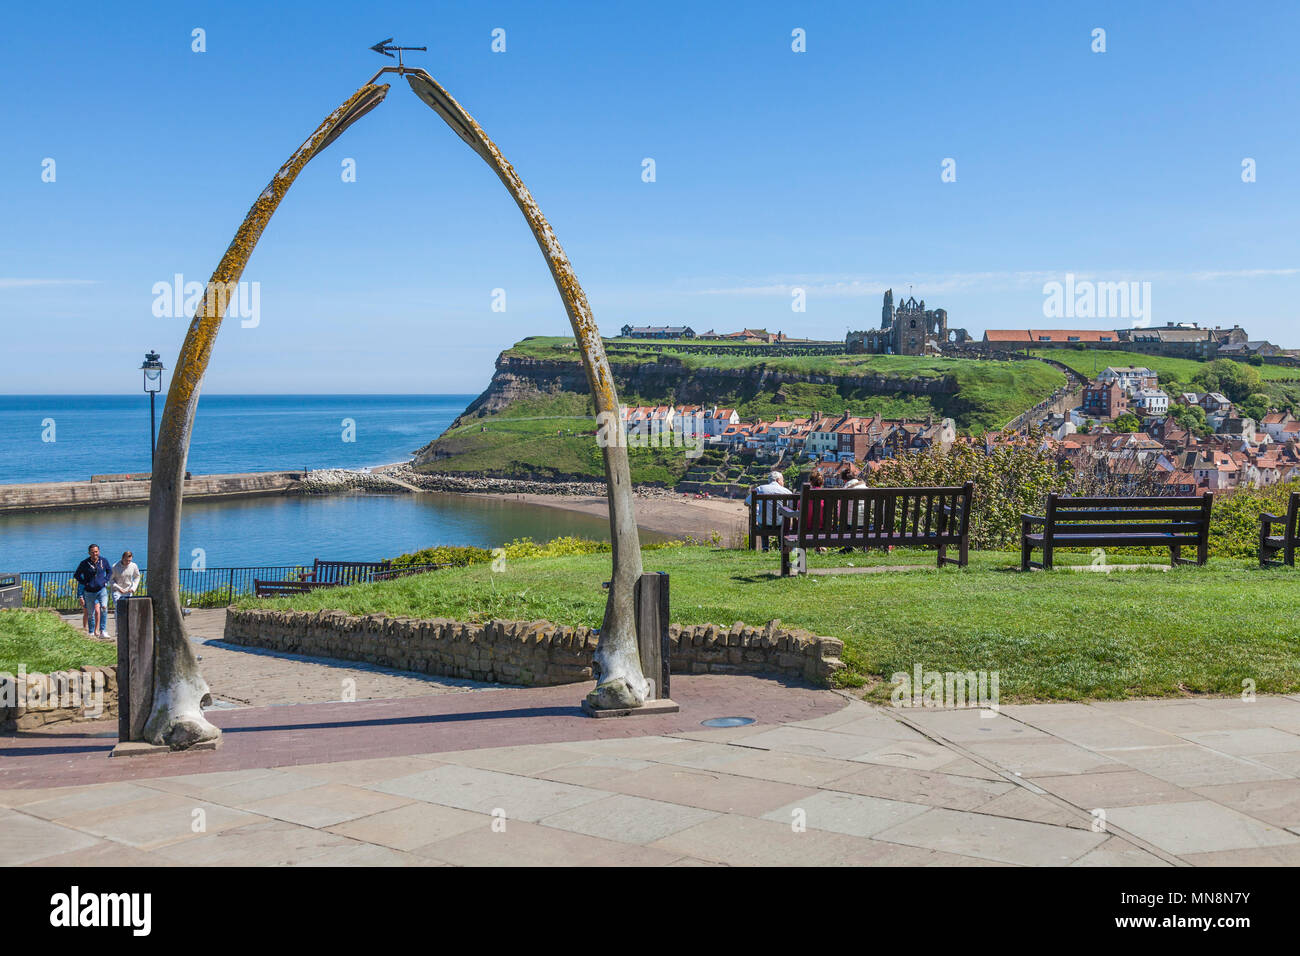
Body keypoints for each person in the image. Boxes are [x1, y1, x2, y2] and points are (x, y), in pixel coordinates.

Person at [744, 470, 793, 552]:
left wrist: (757, 508)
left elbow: (746, 502)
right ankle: (781, 547)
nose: (783, 482)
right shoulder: (787, 491)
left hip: (764, 524)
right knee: (782, 521)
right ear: (778, 480)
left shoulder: (760, 489)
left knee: (763, 520)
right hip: (781, 525)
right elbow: (792, 508)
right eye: (782, 480)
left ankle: (765, 548)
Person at [74, 544, 113, 638]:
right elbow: (77, 575)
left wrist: (105, 580)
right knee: (90, 613)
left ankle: (103, 631)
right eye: (92, 552)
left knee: (104, 608)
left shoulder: (103, 561)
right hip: (89, 592)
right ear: (89, 553)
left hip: (101, 590)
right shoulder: (84, 563)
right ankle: (91, 632)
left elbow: (110, 571)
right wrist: (85, 583)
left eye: (96, 551)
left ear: (98, 551)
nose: (94, 553)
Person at [111, 550, 141, 633]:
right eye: (126, 560)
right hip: (117, 591)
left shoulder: (133, 566)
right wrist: (118, 587)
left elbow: (137, 577)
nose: (128, 562)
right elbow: (111, 579)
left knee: (129, 609)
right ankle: (118, 630)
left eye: (129, 560)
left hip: (128, 590)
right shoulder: (115, 566)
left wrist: (133, 587)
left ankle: (128, 629)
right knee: (118, 609)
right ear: (122, 558)